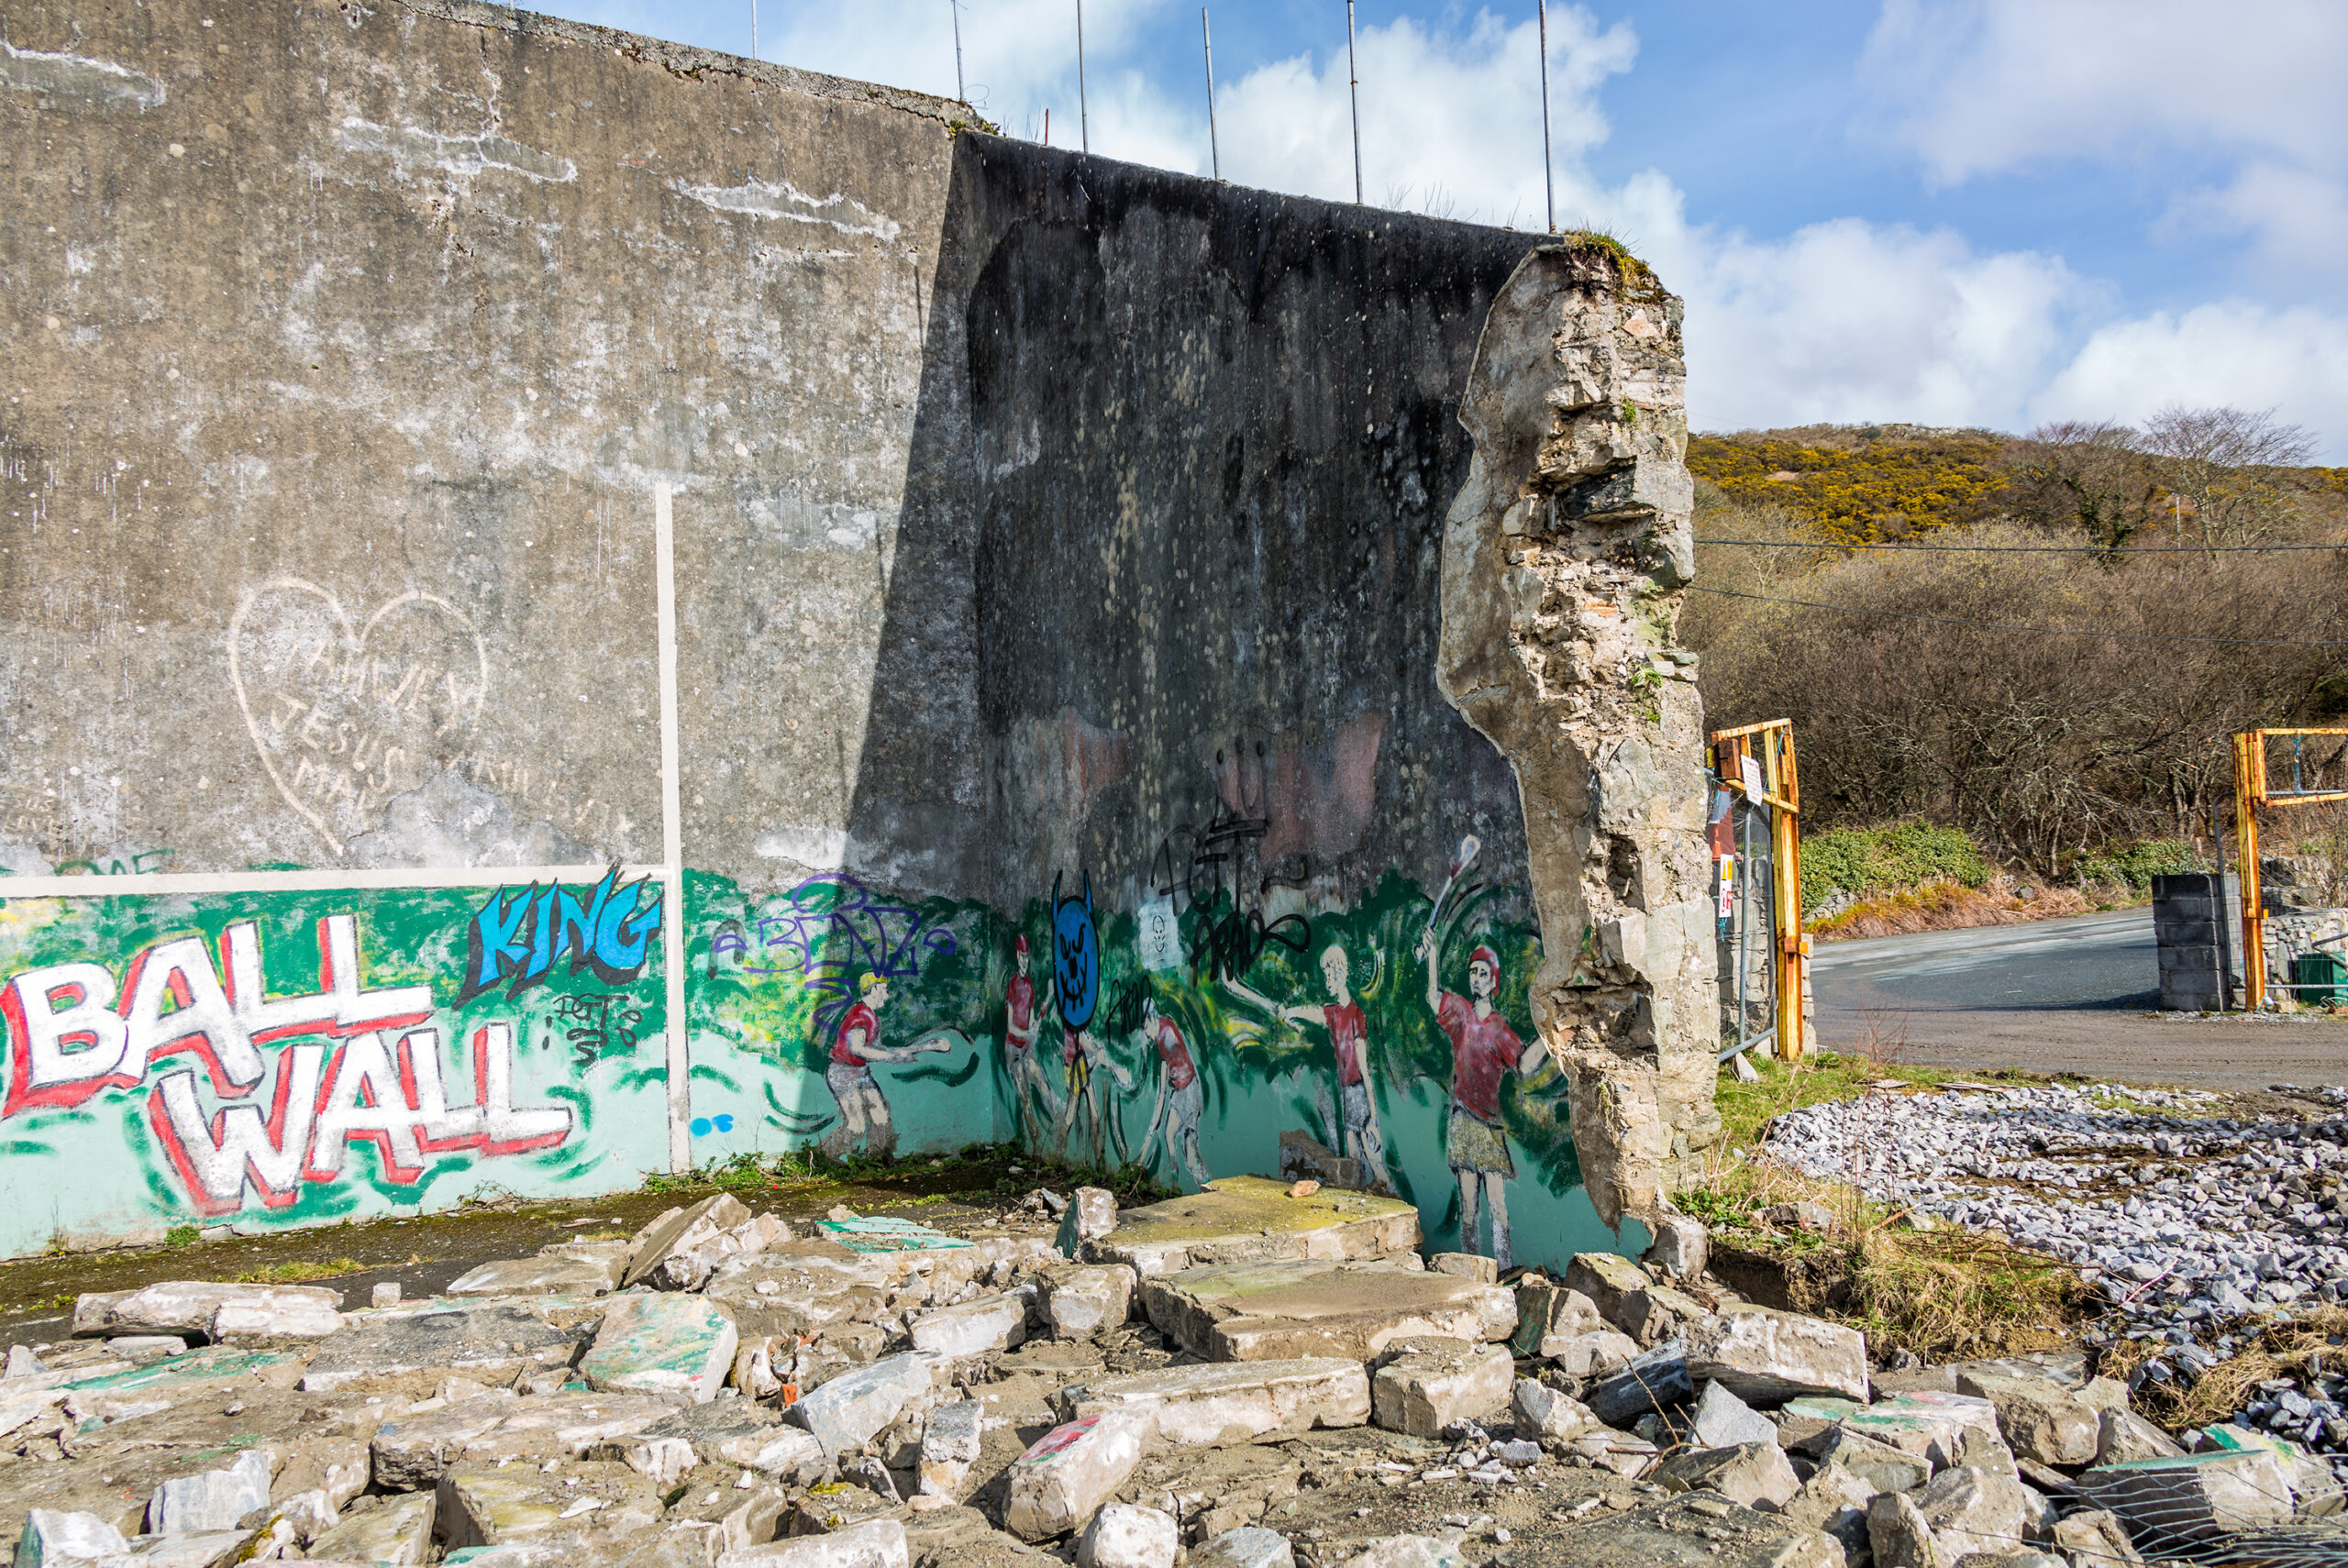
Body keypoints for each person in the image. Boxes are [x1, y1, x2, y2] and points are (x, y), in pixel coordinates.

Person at [1416, 931, 1548, 1271]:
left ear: (1494, 982)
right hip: (1462, 1117)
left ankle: (1503, 1266)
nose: (1476, 978)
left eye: (1483, 973)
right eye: (1473, 972)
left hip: (1489, 1124)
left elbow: (1523, 1064)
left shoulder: (1499, 1029)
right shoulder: (1460, 1013)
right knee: (1469, 1202)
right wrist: (1431, 955)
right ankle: (1472, 1264)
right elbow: (1433, 996)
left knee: (1497, 1201)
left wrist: (1551, 1035)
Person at [1277, 943, 1391, 1190]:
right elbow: (1314, 1011)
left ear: (1339, 972)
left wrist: (1373, 1117)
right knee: (1353, 1164)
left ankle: (1393, 1203)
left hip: (1358, 1091)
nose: (1326, 978)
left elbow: (1364, 1068)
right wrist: (1291, 1012)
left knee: (1374, 1162)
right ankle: (1362, 1207)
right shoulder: (1335, 1013)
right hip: (1348, 1093)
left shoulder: (1355, 1015)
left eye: (1328, 973)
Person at [820, 972, 936, 1159]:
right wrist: (890, 1056)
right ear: (874, 989)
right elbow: (857, 1049)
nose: (888, 996)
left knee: (881, 1115)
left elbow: (876, 1048)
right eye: (884, 990)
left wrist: (906, 1052)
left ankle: (877, 1159)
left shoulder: (871, 1016)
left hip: (860, 1072)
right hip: (843, 1073)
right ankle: (822, 1157)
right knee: (856, 1127)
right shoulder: (859, 1014)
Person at [1135, 995, 1210, 1188]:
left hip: (1188, 1091)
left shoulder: (1165, 1037)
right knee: (1179, 1144)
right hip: (1185, 1090)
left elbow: (1161, 1093)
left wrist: (1151, 1130)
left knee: (1184, 1150)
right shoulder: (1165, 1026)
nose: (1146, 1033)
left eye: (1145, 1027)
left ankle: (1181, 1186)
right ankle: (1182, 1186)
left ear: (1151, 1019)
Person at [1002, 934, 1060, 1143]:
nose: (1025, 960)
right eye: (1022, 956)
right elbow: (1010, 1026)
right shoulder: (1012, 985)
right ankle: (1035, 1143)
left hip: (1027, 1049)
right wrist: (1027, 1034)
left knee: (1042, 1084)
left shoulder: (1031, 987)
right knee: (1025, 1098)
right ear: (1017, 956)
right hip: (1013, 1051)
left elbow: (1033, 1023)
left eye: (1027, 957)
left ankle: (1060, 1124)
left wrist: (1048, 1000)